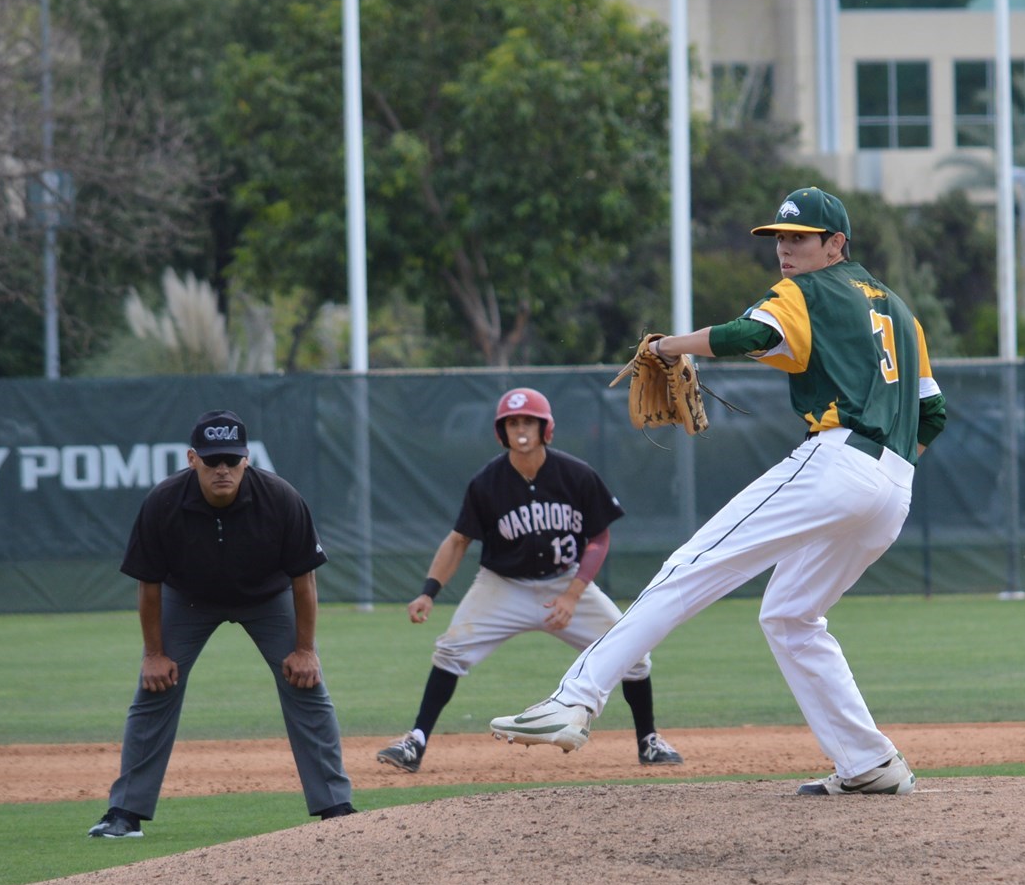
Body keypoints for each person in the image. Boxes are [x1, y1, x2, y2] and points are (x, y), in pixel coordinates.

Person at [490, 187, 946, 795]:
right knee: (790, 615)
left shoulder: (807, 292)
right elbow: (933, 414)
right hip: (894, 486)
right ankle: (869, 763)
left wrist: (666, 346)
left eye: (799, 238)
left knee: (690, 566)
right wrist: (885, 474)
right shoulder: (901, 312)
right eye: (779, 238)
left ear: (836, 243)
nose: (784, 250)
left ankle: (573, 700)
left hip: (838, 462)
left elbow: (746, 335)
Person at [376, 387, 684, 773]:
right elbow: (457, 541)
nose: (520, 429)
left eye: (528, 422)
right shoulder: (486, 483)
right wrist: (428, 593)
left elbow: (599, 538)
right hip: (502, 586)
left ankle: (648, 741)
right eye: (512, 423)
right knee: (451, 651)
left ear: (545, 429)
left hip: (565, 582)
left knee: (633, 654)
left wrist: (573, 595)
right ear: (501, 432)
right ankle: (415, 741)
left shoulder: (576, 475)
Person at [86, 410, 355, 838]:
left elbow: (304, 580)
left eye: (232, 459)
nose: (222, 469)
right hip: (188, 598)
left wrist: (305, 650)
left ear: (247, 459)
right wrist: (154, 654)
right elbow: (148, 584)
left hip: (267, 597)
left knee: (306, 683)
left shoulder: (281, 499)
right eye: (212, 460)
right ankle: (125, 813)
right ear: (192, 459)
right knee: (154, 688)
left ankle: (335, 805)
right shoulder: (163, 502)